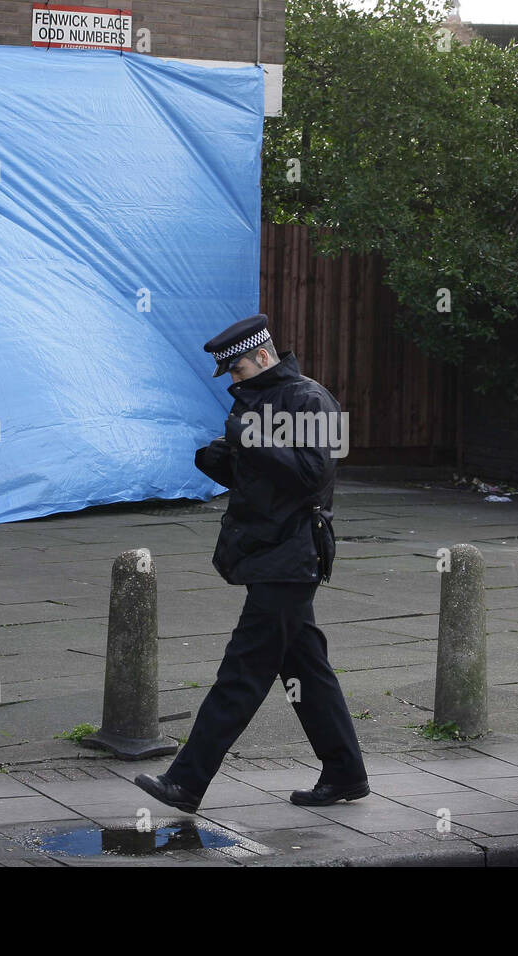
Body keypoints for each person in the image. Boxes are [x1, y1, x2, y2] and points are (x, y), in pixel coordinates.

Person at [135, 314, 369, 813]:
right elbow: (264, 472)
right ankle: (346, 772)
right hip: (273, 553)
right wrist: (222, 456)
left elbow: (311, 475)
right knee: (305, 668)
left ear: (262, 357)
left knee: (242, 672)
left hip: (291, 555)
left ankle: (186, 781)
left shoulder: (309, 399)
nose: (234, 381)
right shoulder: (263, 402)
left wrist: (250, 441)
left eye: (237, 370)